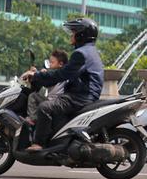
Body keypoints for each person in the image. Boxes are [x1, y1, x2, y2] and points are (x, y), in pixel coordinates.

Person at [25, 18, 103, 151]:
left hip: (80, 96)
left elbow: (61, 74)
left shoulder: (80, 53)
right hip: (86, 94)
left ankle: (39, 144)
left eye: (73, 32)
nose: (71, 35)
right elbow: (64, 74)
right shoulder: (90, 51)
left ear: (81, 34)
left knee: (45, 107)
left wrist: (38, 76)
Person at [26, 49, 68, 130]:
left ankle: (33, 119)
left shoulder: (57, 74)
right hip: (57, 101)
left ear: (60, 64)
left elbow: (46, 79)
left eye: (52, 62)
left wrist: (38, 74)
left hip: (53, 102)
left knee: (33, 96)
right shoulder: (62, 73)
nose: (50, 64)